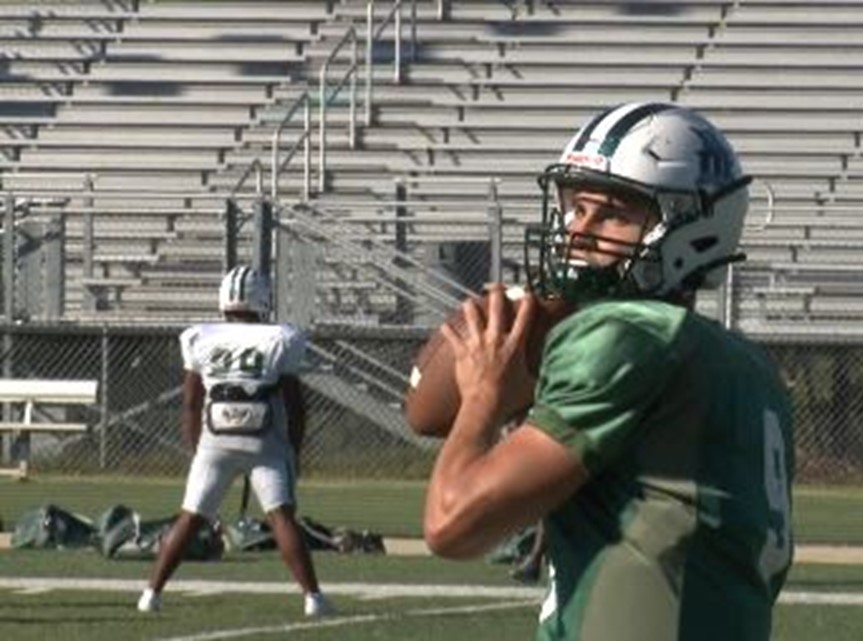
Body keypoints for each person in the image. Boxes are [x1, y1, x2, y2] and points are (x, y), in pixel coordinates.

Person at [423, 102, 795, 640]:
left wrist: (483, 396)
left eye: (614, 214)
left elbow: (452, 525)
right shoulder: (748, 365)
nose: (579, 232)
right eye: (577, 207)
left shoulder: (626, 335)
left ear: (695, 228)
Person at [137, 265, 332, 617]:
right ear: (263, 299)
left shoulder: (200, 337)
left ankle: (151, 593)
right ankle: (313, 597)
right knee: (281, 518)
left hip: (215, 440)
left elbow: (191, 402)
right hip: (264, 443)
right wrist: (294, 448)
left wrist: (197, 447)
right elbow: (294, 404)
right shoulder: (281, 338)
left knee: (189, 517)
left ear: (224, 299)